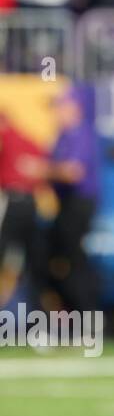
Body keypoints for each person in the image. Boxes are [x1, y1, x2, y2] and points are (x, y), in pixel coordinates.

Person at [40, 89, 101, 314]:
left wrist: (41, 170)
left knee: (74, 260)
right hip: (65, 204)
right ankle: (69, 313)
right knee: (51, 257)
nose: (56, 113)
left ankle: (87, 316)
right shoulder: (62, 136)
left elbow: (72, 172)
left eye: (60, 107)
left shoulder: (79, 134)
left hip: (79, 204)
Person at [0, 110, 46, 307]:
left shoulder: (9, 139)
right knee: (30, 262)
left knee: (15, 259)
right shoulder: (27, 140)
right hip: (30, 202)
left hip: (12, 201)